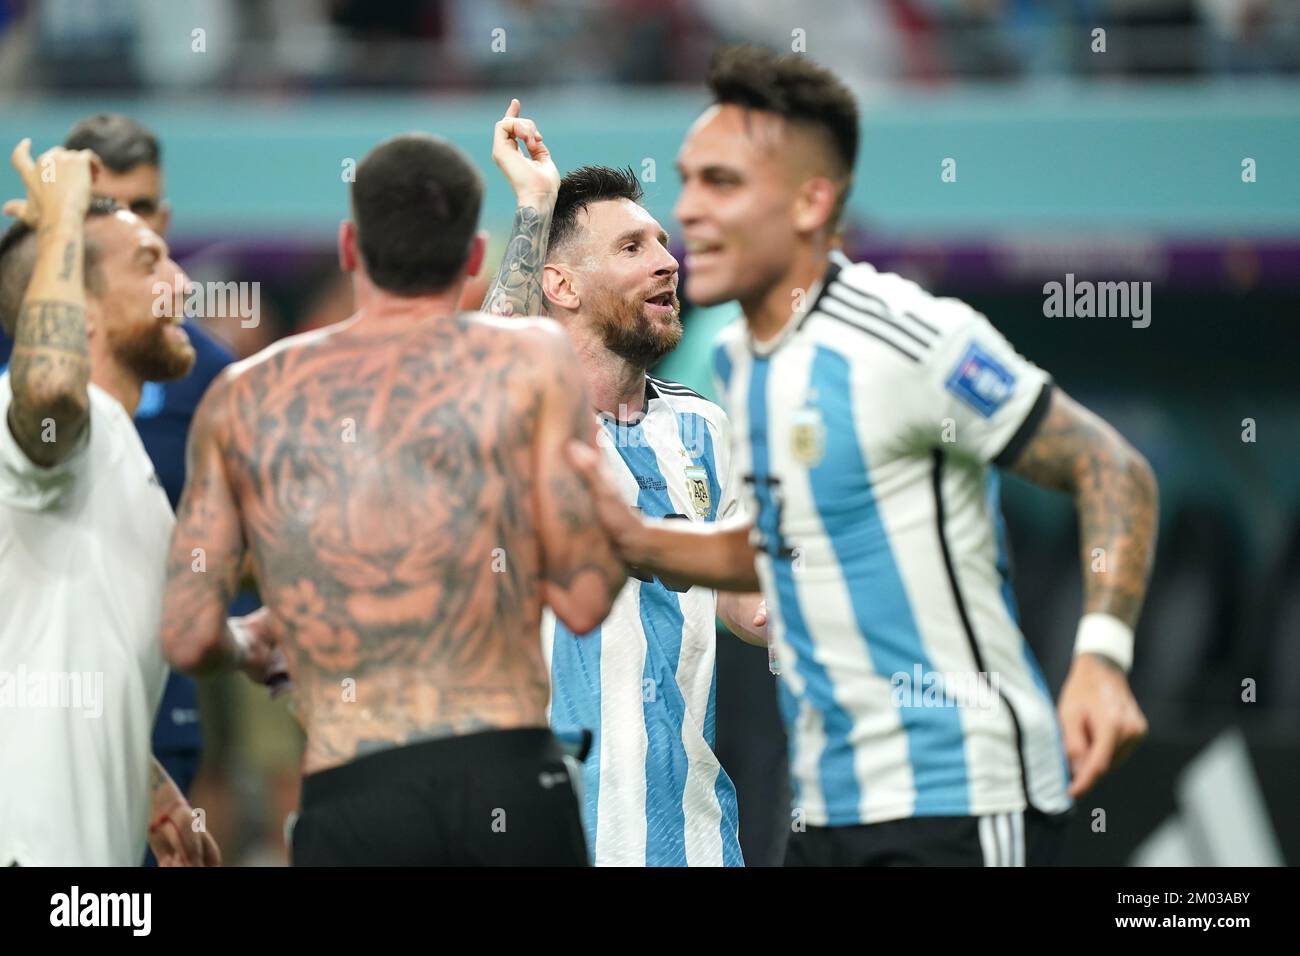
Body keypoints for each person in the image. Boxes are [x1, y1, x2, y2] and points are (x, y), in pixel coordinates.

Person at [569, 46, 1156, 866]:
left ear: (811, 201)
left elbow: (1112, 469)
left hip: (959, 796)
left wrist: (1101, 659)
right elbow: (768, 549)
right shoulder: (739, 361)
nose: (688, 221)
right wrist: (641, 543)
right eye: (689, 179)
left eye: (722, 185)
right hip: (833, 801)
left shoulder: (908, 336)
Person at [159, 132, 626, 866]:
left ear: (349, 245)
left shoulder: (245, 395)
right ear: (473, 258)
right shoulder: (536, 360)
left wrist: (248, 640)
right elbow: (584, 599)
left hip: (353, 789)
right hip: (506, 772)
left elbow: (186, 634)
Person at [482, 100, 765, 865]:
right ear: (562, 286)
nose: (667, 261)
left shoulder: (708, 427)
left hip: (694, 839)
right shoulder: (517, 422)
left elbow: (751, 608)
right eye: (633, 246)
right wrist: (536, 203)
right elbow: (482, 369)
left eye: (665, 244)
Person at [0, 140, 256, 865]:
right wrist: (59, 227)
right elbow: (46, 387)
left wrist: (142, 784)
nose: (181, 283)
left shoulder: (118, 454)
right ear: (75, 311)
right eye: (149, 265)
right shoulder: (50, 414)